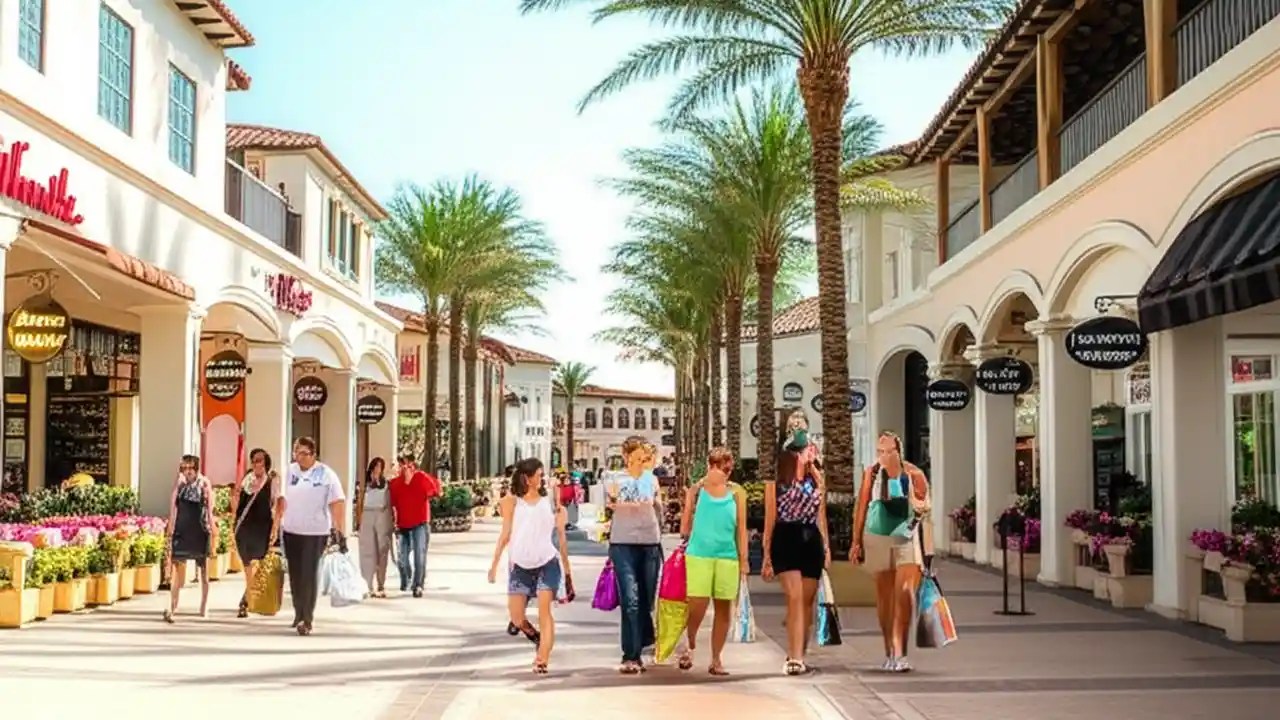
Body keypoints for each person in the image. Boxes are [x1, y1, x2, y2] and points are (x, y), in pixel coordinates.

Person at [851, 430, 931, 672]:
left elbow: (925, 511)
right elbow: (861, 507)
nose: (884, 456)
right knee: (886, 599)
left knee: (904, 594)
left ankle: (901, 653)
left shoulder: (914, 474)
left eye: (889, 451)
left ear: (899, 451)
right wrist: (856, 542)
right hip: (878, 538)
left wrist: (929, 550)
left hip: (906, 540)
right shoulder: (872, 474)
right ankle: (890, 651)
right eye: (880, 451)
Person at [488, 457, 572, 675]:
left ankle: (542, 659)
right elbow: (505, 534)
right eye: (539, 475)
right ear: (527, 477)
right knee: (516, 616)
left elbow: (561, 536)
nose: (542, 479)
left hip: (546, 562)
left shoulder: (551, 499)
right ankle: (533, 635)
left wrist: (568, 570)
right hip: (520, 565)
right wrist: (494, 564)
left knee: (545, 611)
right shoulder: (510, 502)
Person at [763, 435, 830, 676]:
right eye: (808, 450)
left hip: (810, 538)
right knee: (794, 597)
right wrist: (766, 554)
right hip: (785, 536)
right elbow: (770, 519)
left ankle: (798, 652)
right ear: (795, 454)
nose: (812, 454)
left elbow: (821, 514)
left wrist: (827, 547)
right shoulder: (777, 482)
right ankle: (794, 656)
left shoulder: (816, 478)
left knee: (806, 602)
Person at [677, 447, 746, 676]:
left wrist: (743, 560)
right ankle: (691, 643)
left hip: (727, 556)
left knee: (722, 608)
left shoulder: (736, 492)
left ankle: (715, 658)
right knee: (699, 603)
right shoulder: (696, 490)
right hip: (699, 555)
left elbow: (741, 530)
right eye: (725, 467)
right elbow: (684, 528)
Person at [277, 436, 347, 636]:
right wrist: (276, 525)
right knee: (296, 575)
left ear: (313, 454)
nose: (299, 457)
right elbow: (280, 500)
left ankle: (307, 618)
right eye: (296, 453)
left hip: (315, 532)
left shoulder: (326, 474)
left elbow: (337, 502)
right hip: (291, 530)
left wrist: (339, 530)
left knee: (309, 573)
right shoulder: (289, 471)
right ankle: (298, 612)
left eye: (304, 453)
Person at [605, 435, 664, 674]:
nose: (641, 462)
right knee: (630, 599)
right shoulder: (614, 479)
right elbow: (611, 502)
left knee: (646, 599)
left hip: (650, 542)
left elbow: (655, 505)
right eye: (637, 457)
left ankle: (644, 638)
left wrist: (655, 504)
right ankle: (631, 654)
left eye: (644, 457)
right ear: (627, 456)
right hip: (622, 543)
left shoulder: (652, 479)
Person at [163, 455, 215, 623]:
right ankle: (173, 605)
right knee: (177, 568)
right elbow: (173, 505)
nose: (187, 471)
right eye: (184, 468)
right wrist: (171, 524)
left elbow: (210, 508)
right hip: (182, 528)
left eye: (190, 468)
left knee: (204, 571)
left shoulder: (204, 483)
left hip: (199, 528)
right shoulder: (180, 484)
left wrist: (212, 527)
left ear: (196, 468)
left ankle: (204, 605)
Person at [231, 448, 280, 618]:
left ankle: (248, 599)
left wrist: (275, 527)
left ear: (266, 462)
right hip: (244, 528)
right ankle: (248, 598)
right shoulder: (246, 480)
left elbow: (276, 504)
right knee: (247, 565)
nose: (257, 464)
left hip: (262, 527)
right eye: (254, 460)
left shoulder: (271, 480)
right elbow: (237, 504)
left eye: (260, 460)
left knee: (259, 564)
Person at [389, 453, 439, 597]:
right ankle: (407, 578)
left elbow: (435, 490)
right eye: (402, 465)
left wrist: (418, 478)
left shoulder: (421, 478)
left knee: (419, 554)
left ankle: (418, 585)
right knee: (402, 558)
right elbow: (391, 505)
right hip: (402, 525)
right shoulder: (395, 484)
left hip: (420, 523)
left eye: (408, 464)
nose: (405, 468)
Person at [357, 457, 394, 598]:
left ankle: (381, 583)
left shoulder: (385, 484)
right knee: (368, 550)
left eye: (380, 467)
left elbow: (389, 503)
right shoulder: (365, 484)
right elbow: (360, 503)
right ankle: (368, 584)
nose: (378, 469)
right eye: (375, 466)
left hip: (381, 514)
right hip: (368, 514)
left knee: (382, 550)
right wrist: (359, 521)